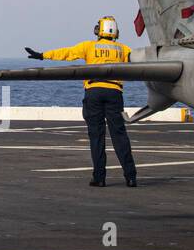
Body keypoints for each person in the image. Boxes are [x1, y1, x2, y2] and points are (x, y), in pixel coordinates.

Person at [26, 15, 138, 187]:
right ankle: (130, 177)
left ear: (98, 30)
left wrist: (42, 55)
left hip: (93, 92)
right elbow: (139, 62)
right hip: (114, 92)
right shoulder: (123, 49)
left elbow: (67, 53)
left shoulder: (89, 46)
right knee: (119, 135)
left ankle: (99, 178)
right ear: (115, 31)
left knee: (96, 136)